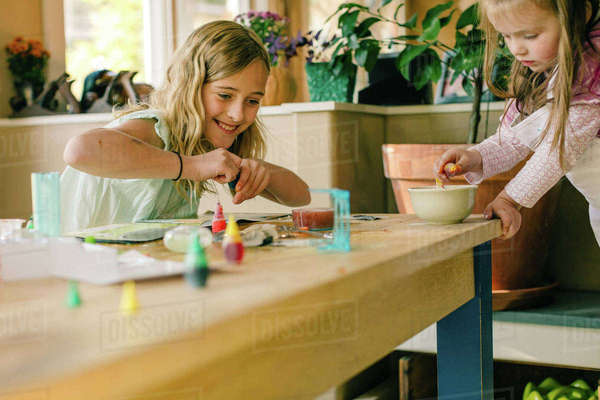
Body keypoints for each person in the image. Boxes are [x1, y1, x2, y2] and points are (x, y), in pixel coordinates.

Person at [61, 20, 310, 233]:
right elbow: (79, 151)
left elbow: (301, 196)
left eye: (252, 101)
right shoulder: (157, 128)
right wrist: (192, 166)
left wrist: (262, 171)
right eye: (224, 95)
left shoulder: (206, 139)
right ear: (191, 86)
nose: (237, 114)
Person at [433, 0, 600, 242]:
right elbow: (515, 139)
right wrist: (476, 156)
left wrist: (510, 199)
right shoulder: (543, 71)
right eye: (506, 36)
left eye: (530, 36)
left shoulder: (591, 73)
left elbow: (559, 149)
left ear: (575, 18)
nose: (516, 49)